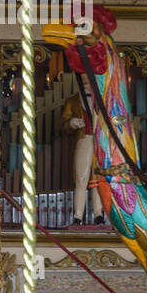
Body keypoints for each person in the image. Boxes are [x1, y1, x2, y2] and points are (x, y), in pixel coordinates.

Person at [61, 78, 104, 227]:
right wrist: (71, 123)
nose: (87, 87)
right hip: (84, 139)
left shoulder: (102, 100)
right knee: (81, 178)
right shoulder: (72, 101)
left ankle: (98, 214)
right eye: (85, 84)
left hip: (100, 142)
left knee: (98, 179)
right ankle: (78, 216)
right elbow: (64, 125)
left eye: (89, 84)